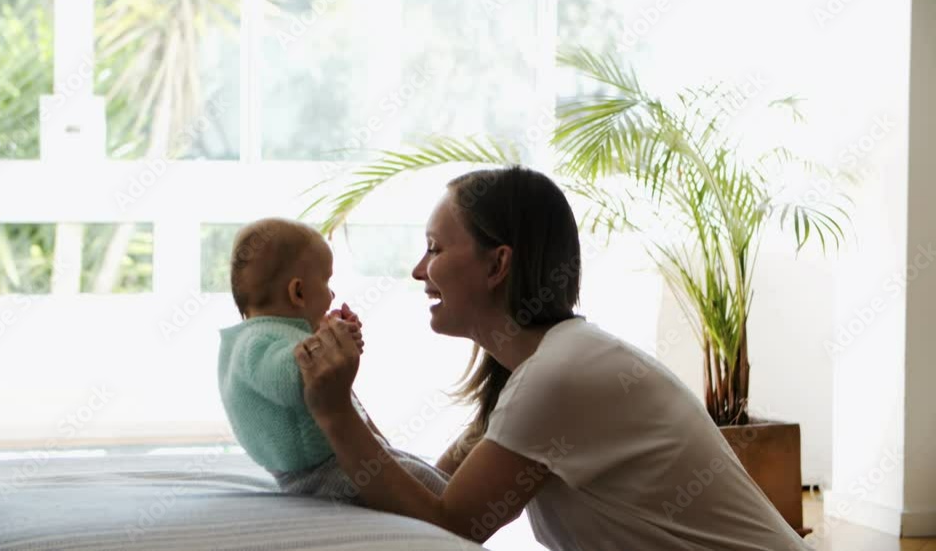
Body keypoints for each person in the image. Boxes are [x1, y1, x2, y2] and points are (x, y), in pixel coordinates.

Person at [294, 166, 810, 550]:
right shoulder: (542, 368)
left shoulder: (558, 375)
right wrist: (341, 397)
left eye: (434, 249)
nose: (417, 270)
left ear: (498, 264)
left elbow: (452, 524)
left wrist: (336, 412)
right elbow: (431, 486)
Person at [218, 217, 449, 502]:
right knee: (425, 486)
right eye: (326, 281)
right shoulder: (255, 342)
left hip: (336, 458)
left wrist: (336, 339)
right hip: (318, 471)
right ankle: (460, 515)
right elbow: (293, 379)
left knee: (417, 470)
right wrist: (327, 344)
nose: (332, 293)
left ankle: (457, 506)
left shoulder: (275, 336)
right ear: (298, 292)